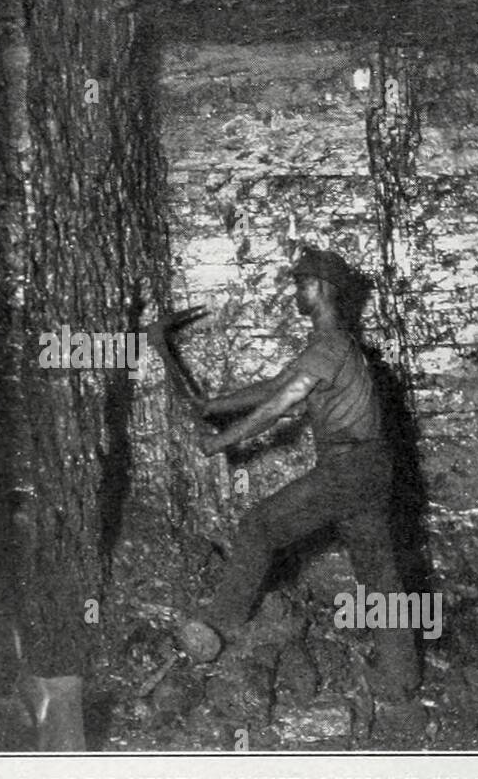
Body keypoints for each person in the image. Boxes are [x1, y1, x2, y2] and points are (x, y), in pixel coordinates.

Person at [179, 245, 421, 701]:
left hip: (349, 468)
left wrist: (222, 440)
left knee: (259, 527)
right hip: (369, 467)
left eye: (301, 284)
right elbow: (274, 386)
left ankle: (219, 625)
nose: (296, 293)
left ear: (321, 289)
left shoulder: (329, 344)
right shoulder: (332, 346)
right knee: (379, 573)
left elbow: (283, 401)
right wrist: (215, 405)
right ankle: (401, 680)